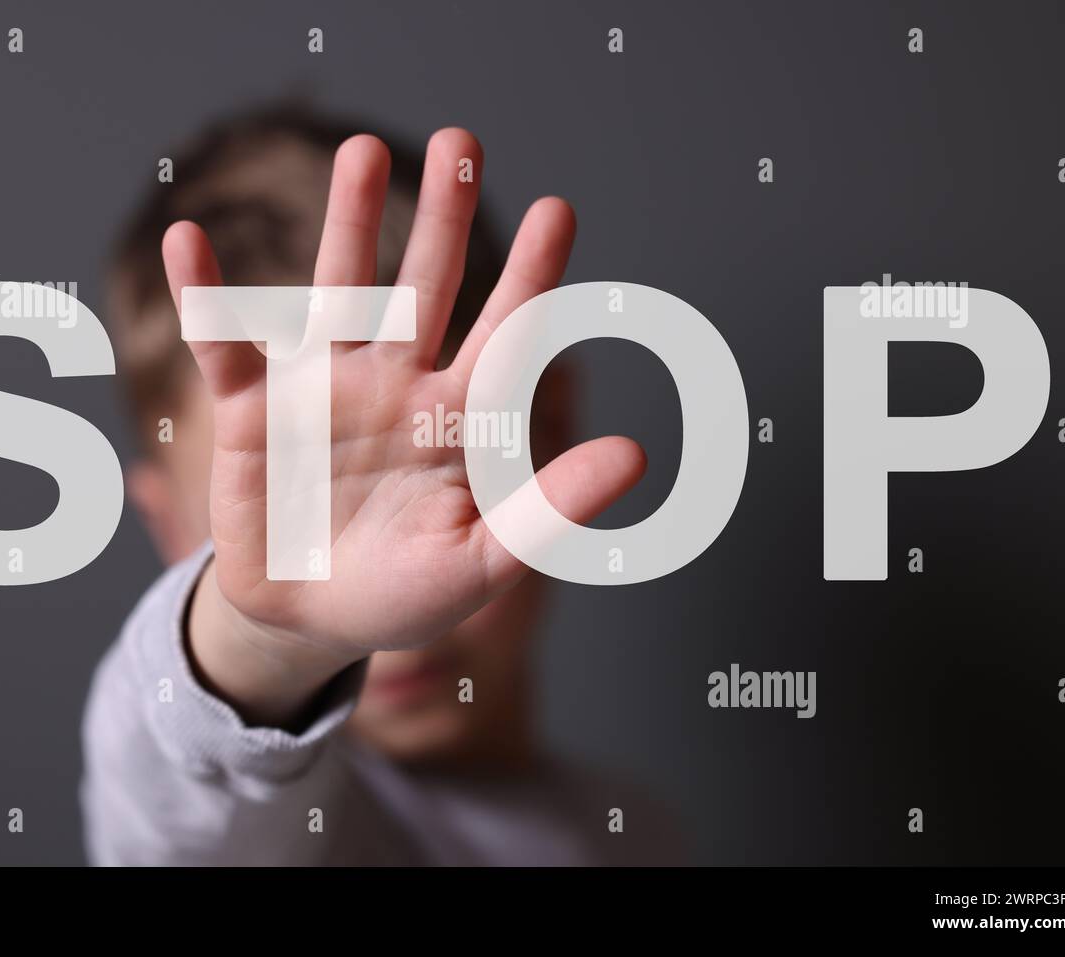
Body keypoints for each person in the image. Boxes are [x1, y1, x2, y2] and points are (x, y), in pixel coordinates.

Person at [81, 106, 683, 865]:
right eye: (293, 521)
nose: (392, 625)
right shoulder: (272, 835)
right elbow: (164, 786)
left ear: (549, 424)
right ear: (172, 528)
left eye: (434, 473)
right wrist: (272, 637)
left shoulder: (634, 830)